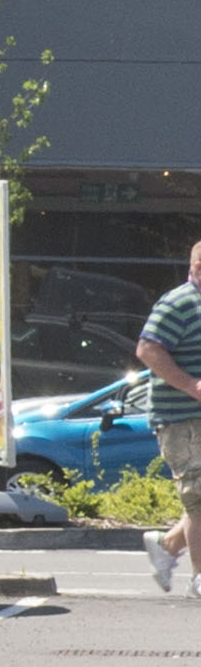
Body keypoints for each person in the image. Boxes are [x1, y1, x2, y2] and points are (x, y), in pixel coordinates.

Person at [143, 239, 201, 599]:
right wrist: (193, 385)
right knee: (199, 497)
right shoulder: (178, 303)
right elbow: (147, 349)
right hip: (181, 420)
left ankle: (166, 547)